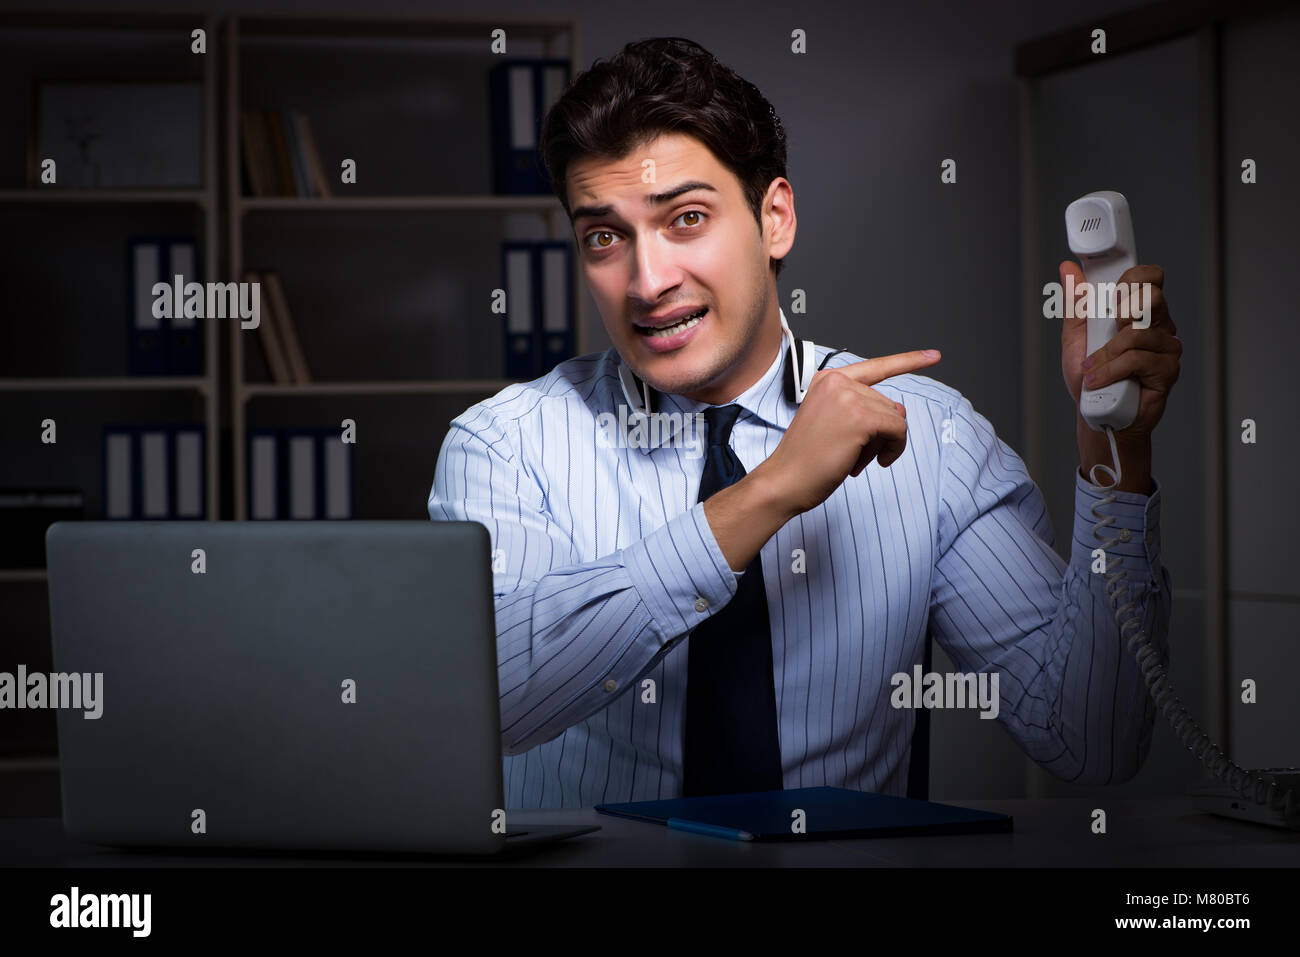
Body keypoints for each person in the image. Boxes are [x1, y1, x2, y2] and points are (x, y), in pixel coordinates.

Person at [428, 37, 1180, 808]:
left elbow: (1092, 742)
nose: (647, 282)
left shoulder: (932, 436)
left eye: (686, 218)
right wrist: (772, 491)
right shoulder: (504, 443)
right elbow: (501, 703)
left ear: (775, 218)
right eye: (605, 237)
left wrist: (1112, 445)